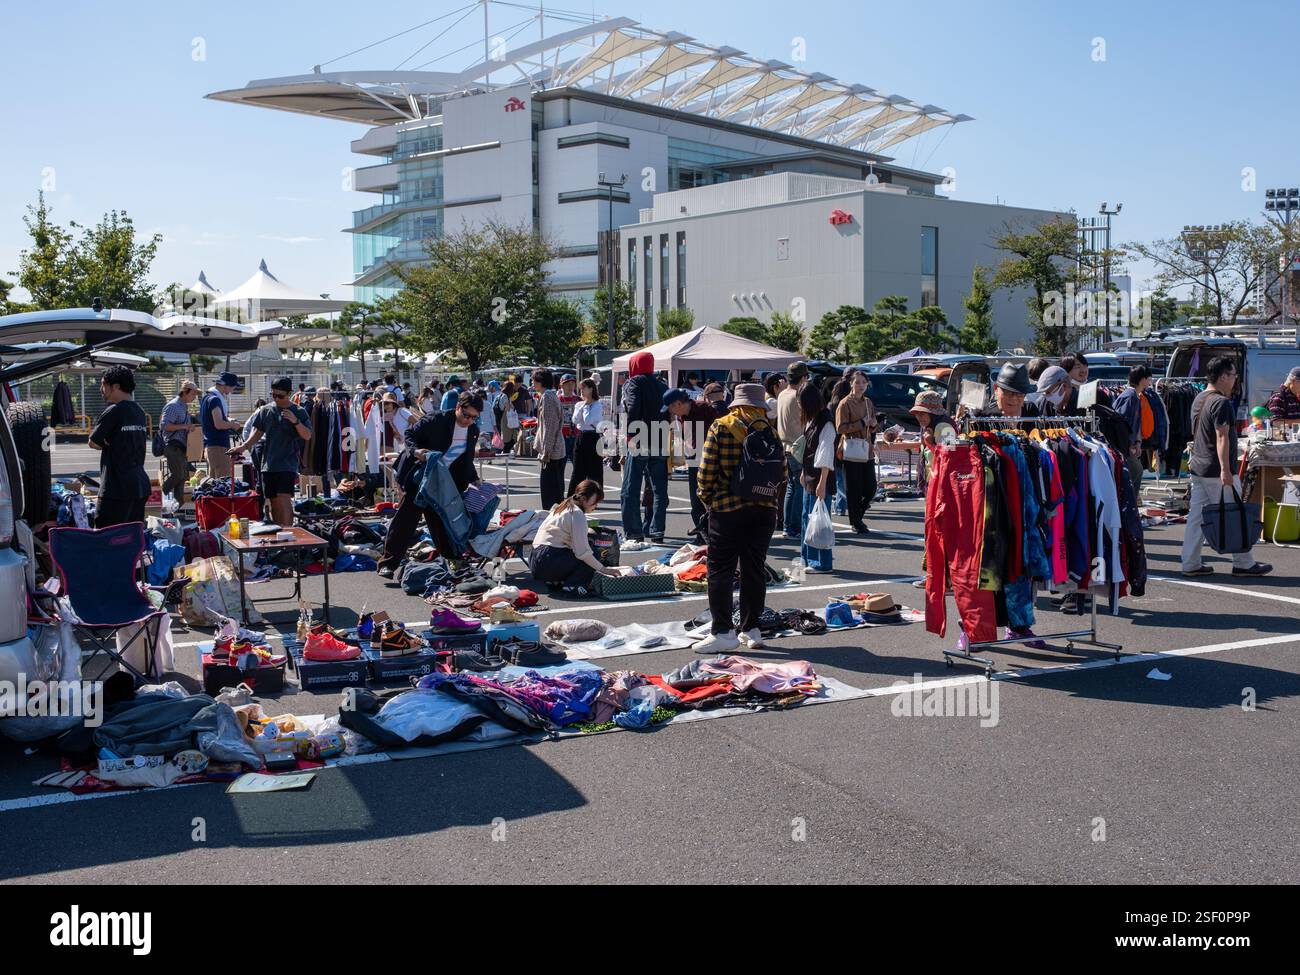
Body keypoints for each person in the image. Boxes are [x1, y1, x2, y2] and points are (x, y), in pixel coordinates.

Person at [691, 383, 785, 654]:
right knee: (754, 569)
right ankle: (751, 628)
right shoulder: (770, 432)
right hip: (764, 511)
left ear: (736, 403)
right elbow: (783, 474)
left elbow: (706, 471)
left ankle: (723, 631)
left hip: (728, 509)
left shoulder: (721, 426)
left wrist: (708, 500)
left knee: (720, 570)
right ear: (759, 406)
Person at [1181, 356, 1272, 578]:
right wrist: (1225, 470)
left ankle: (1190, 562)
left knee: (1197, 517)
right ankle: (1243, 562)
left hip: (1199, 466)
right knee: (1234, 514)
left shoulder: (1200, 398)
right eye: (1232, 375)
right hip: (1216, 470)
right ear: (1223, 377)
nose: (1234, 380)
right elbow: (1222, 437)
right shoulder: (1220, 402)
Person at [377, 392, 483, 577]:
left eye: (474, 417)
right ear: (458, 407)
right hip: (421, 477)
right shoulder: (437, 419)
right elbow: (410, 433)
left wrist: (473, 478)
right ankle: (388, 563)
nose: (469, 421)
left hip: (442, 483)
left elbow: (466, 458)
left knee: (442, 522)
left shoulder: (472, 430)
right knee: (406, 520)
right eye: (466, 415)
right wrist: (416, 451)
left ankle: (454, 560)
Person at [228, 379, 312, 527]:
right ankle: (279, 533)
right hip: (268, 463)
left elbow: (307, 435)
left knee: (283, 498)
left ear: (289, 394)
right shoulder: (265, 410)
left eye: (280, 396)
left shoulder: (299, 411)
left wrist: (295, 421)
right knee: (273, 500)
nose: (277, 399)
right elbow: (257, 433)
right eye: (274, 395)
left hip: (287, 463)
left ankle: (288, 532)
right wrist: (242, 448)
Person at [528, 480, 619, 595]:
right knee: (592, 552)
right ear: (583, 498)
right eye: (595, 502)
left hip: (536, 558)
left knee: (581, 552)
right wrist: (604, 569)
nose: (595, 506)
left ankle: (555, 581)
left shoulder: (563, 506)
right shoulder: (577, 514)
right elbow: (582, 552)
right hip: (547, 560)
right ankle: (573, 587)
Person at [88, 365, 151, 529]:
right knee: (131, 537)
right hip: (139, 486)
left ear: (115, 386)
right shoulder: (140, 412)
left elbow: (93, 442)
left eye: (103, 384)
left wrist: (111, 443)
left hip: (116, 488)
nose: (101, 389)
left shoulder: (114, 411)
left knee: (105, 536)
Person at [620, 350, 669, 543]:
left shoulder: (634, 382)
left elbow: (632, 408)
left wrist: (630, 435)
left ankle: (634, 532)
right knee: (659, 489)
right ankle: (657, 531)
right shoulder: (662, 384)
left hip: (640, 438)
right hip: (659, 438)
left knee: (630, 489)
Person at [663, 387, 719, 540]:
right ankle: (703, 534)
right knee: (696, 501)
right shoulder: (683, 416)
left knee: (708, 499)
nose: (671, 412)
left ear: (678, 404)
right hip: (694, 460)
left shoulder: (704, 409)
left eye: (671, 408)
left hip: (710, 460)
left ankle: (712, 535)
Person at [799, 383, 836, 573]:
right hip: (811, 476)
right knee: (808, 518)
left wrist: (822, 482)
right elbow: (810, 450)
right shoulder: (814, 419)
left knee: (818, 521)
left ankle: (821, 562)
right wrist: (803, 473)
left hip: (820, 477)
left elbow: (826, 453)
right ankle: (807, 559)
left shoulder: (825, 421)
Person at [836, 369, 878, 534]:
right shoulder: (844, 403)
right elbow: (840, 428)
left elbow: (873, 425)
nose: (861, 385)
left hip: (866, 448)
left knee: (871, 488)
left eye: (864, 382)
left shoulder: (868, 402)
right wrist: (861, 422)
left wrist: (874, 423)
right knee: (854, 488)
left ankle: (857, 515)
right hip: (852, 448)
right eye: (857, 382)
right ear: (851, 384)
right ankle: (856, 522)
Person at [776, 361, 809, 539]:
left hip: (784, 445)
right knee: (800, 486)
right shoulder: (799, 395)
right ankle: (794, 527)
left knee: (791, 486)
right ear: (803, 377)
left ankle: (788, 526)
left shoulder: (782, 394)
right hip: (798, 445)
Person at [1113, 365, 1153, 492]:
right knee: (1136, 471)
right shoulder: (1131, 396)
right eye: (1149, 378)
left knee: (1134, 472)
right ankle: (1130, 505)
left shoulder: (1132, 395)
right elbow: (1123, 423)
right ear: (1142, 380)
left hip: (1126, 444)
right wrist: (1131, 444)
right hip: (1123, 445)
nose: (1150, 381)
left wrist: (1137, 442)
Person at [159, 380, 200, 503]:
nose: (195, 397)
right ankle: (159, 495)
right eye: (193, 394)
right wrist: (185, 426)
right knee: (178, 475)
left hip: (180, 446)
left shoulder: (182, 405)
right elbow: (165, 426)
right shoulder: (174, 405)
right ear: (185, 392)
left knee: (182, 477)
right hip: (173, 445)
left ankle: (179, 505)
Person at [533, 368, 566, 508]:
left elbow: (550, 426)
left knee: (550, 493)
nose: (533, 384)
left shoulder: (547, 397)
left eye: (534, 381)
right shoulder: (549, 395)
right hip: (555, 449)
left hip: (552, 452)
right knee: (555, 490)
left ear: (540, 382)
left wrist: (545, 452)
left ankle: (552, 522)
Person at [200, 371, 244, 479]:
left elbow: (215, 418)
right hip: (218, 446)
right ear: (225, 386)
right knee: (223, 481)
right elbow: (219, 424)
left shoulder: (207, 397)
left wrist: (229, 420)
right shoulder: (215, 400)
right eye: (233, 387)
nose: (233, 390)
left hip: (211, 445)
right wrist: (232, 425)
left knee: (214, 483)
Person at [568, 378, 606, 494]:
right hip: (581, 436)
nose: (582, 391)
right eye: (580, 389)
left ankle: (595, 496)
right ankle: (572, 496)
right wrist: (583, 406)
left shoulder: (597, 405)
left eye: (584, 388)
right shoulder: (579, 404)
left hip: (593, 437)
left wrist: (586, 407)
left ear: (591, 389)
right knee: (578, 470)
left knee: (595, 470)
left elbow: (588, 420)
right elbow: (575, 420)